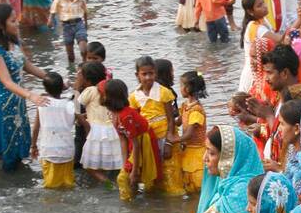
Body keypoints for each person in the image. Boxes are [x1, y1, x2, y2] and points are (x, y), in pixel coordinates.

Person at [0, 3, 47, 171]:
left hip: (18, 102)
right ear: (1, 25)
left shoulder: (14, 43)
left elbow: (29, 67)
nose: (17, 24)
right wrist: (31, 95)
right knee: (8, 148)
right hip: (4, 105)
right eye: (12, 21)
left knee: (20, 146)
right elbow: (6, 81)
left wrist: (54, 79)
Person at [130, 55, 176, 194]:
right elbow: (134, 120)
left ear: (155, 73)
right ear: (137, 75)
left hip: (163, 135)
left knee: (167, 167)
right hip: (147, 139)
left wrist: (169, 142)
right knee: (150, 168)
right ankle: (153, 193)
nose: (148, 77)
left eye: (151, 73)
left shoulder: (164, 92)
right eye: (144, 74)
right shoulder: (134, 96)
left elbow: (171, 119)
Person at [77, 60, 121, 183]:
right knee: (115, 164)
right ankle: (118, 184)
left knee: (89, 166)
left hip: (97, 132)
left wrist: (77, 86)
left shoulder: (89, 90)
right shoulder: (110, 88)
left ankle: (108, 185)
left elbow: (76, 106)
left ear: (87, 80)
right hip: (113, 130)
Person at [31, 71, 75, 189]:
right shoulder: (70, 104)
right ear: (62, 87)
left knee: (50, 185)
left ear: (45, 88)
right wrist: (69, 87)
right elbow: (77, 97)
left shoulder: (42, 104)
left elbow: (36, 128)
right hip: (67, 149)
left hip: (49, 151)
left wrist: (33, 146)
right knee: (68, 184)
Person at [176, 69, 207, 193]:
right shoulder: (185, 106)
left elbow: (189, 134)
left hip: (197, 151)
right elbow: (178, 122)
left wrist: (174, 139)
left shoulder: (196, 110)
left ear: (188, 89)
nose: (180, 88)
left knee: (197, 183)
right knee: (188, 183)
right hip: (187, 150)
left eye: (181, 85)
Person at [49, 0, 88, 68]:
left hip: (79, 24)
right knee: (70, 55)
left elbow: (85, 12)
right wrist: (50, 19)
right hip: (67, 26)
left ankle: (85, 65)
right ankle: (72, 70)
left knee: (83, 48)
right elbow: (53, 10)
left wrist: (86, 23)